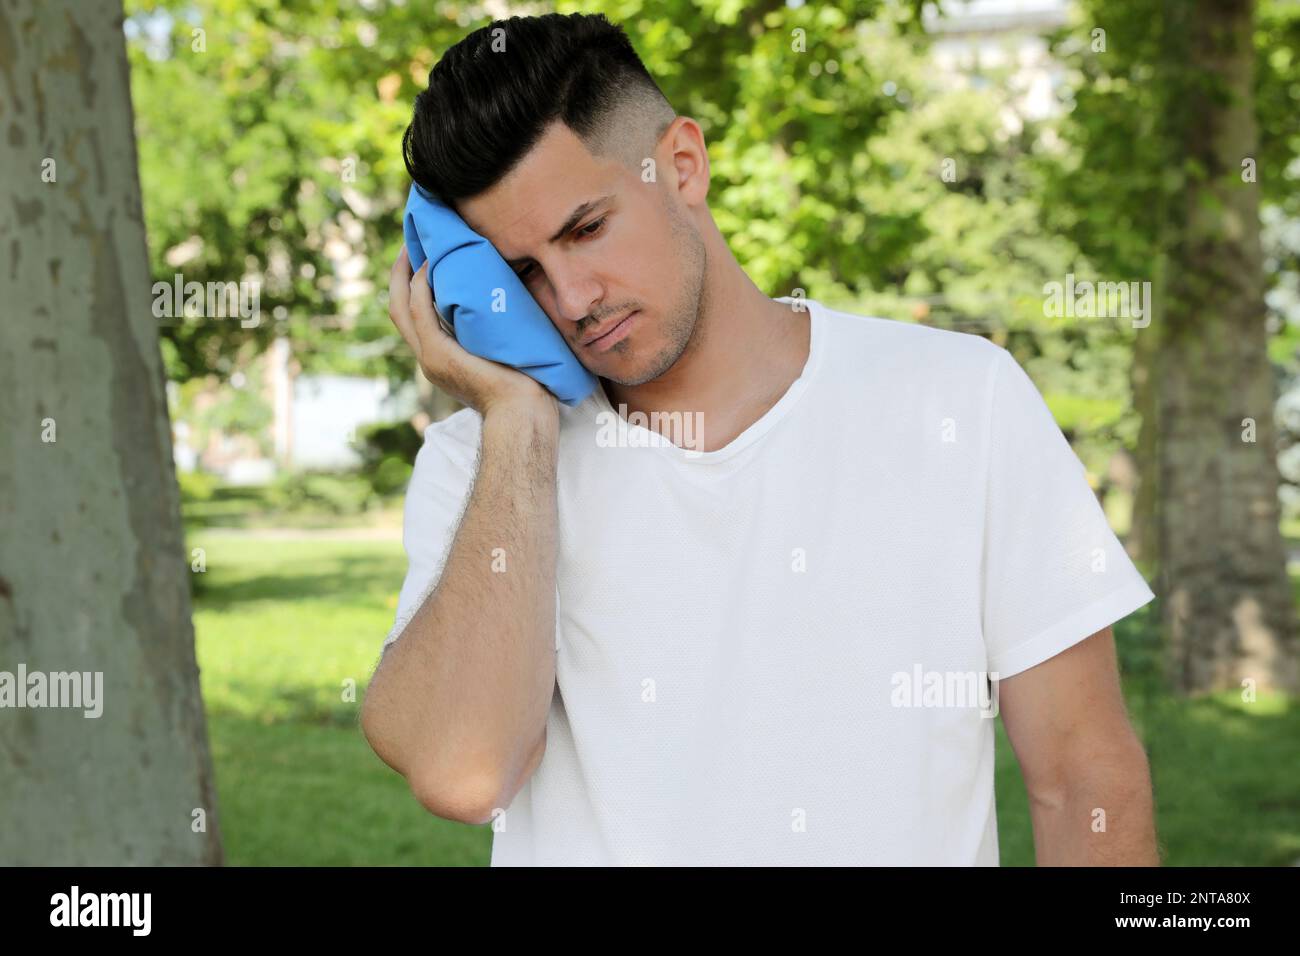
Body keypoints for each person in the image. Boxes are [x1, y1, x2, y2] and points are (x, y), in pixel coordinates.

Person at [361, 11, 1159, 866]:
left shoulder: (960, 399)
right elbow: (465, 774)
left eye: (585, 229)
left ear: (681, 164)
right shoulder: (484, 463)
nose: (572, 298)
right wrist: (517, 420)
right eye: (521, 272)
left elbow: (1083, 779)